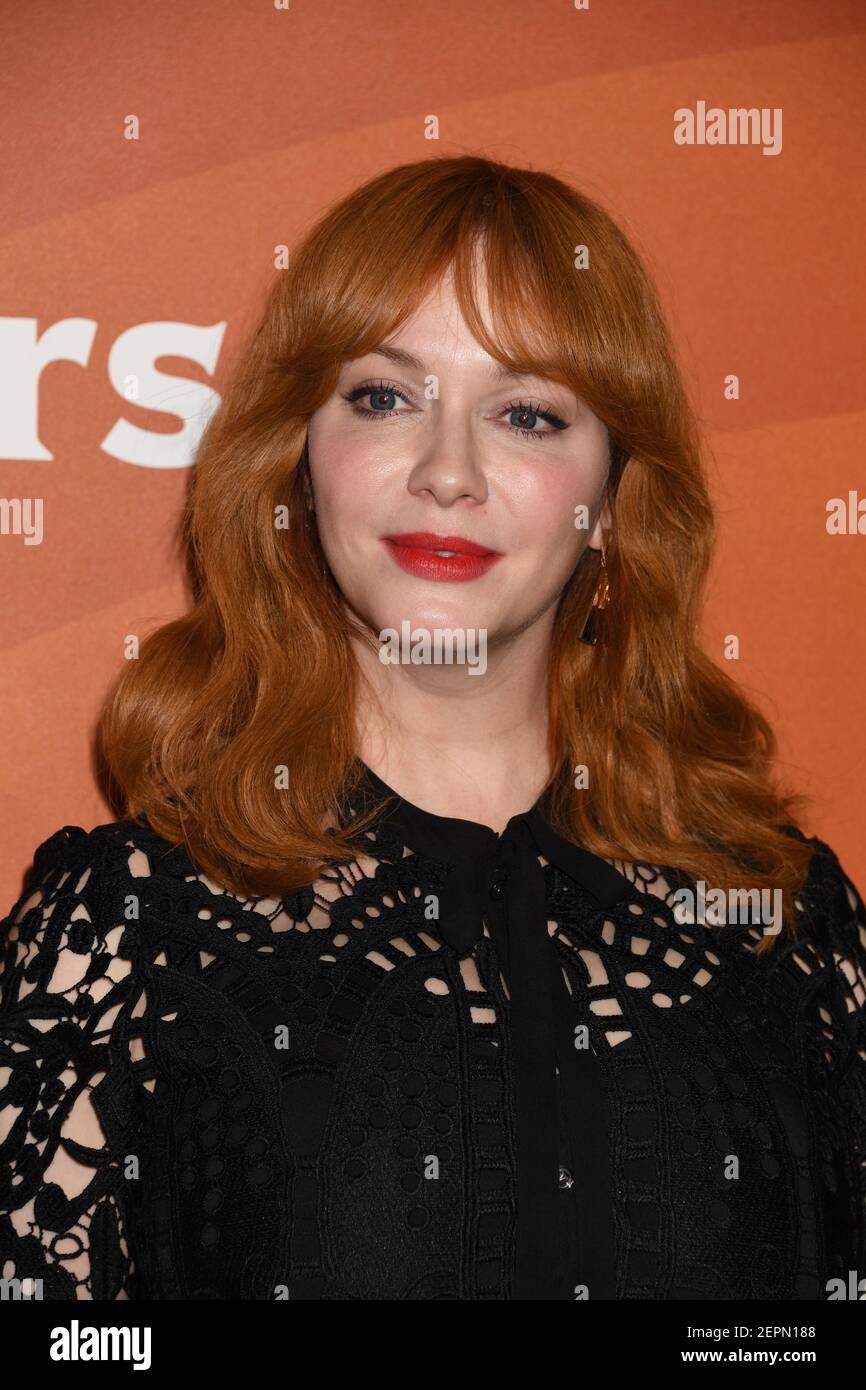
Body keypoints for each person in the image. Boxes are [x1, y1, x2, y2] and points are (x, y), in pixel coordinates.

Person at [1, 155, 864, 1301]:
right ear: (296, 465)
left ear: (607, 498)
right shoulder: (125, 927)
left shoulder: (780, 926)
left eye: (524, 413)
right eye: (382, 396)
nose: (448, 471)